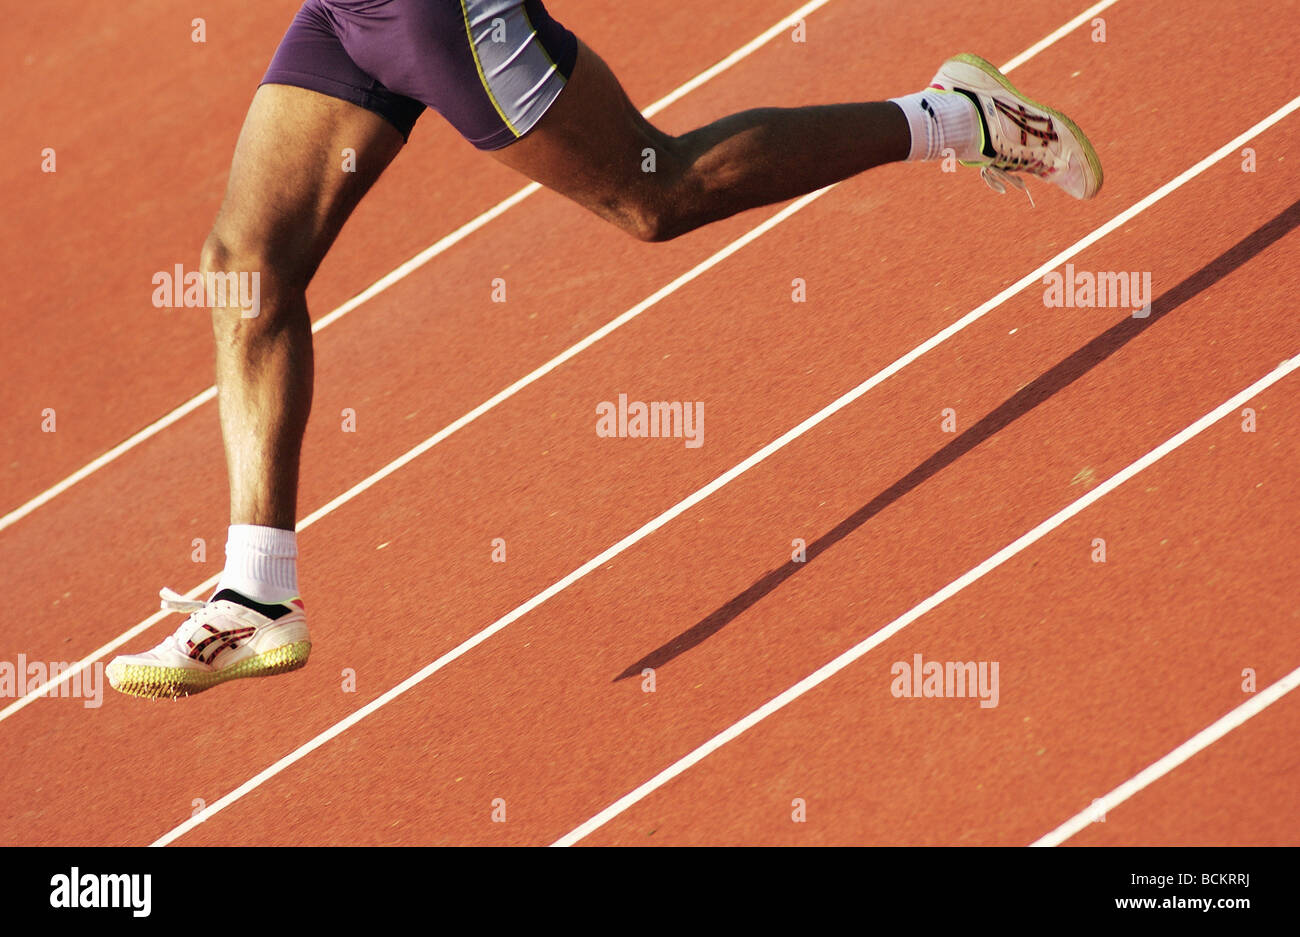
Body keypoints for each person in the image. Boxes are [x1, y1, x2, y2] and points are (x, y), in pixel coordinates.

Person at [107, 0, 1101, 700]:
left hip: (435, 11)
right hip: (348, 10)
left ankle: (956, 117)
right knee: (246, 262)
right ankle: (257, 589)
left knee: (652, 191)